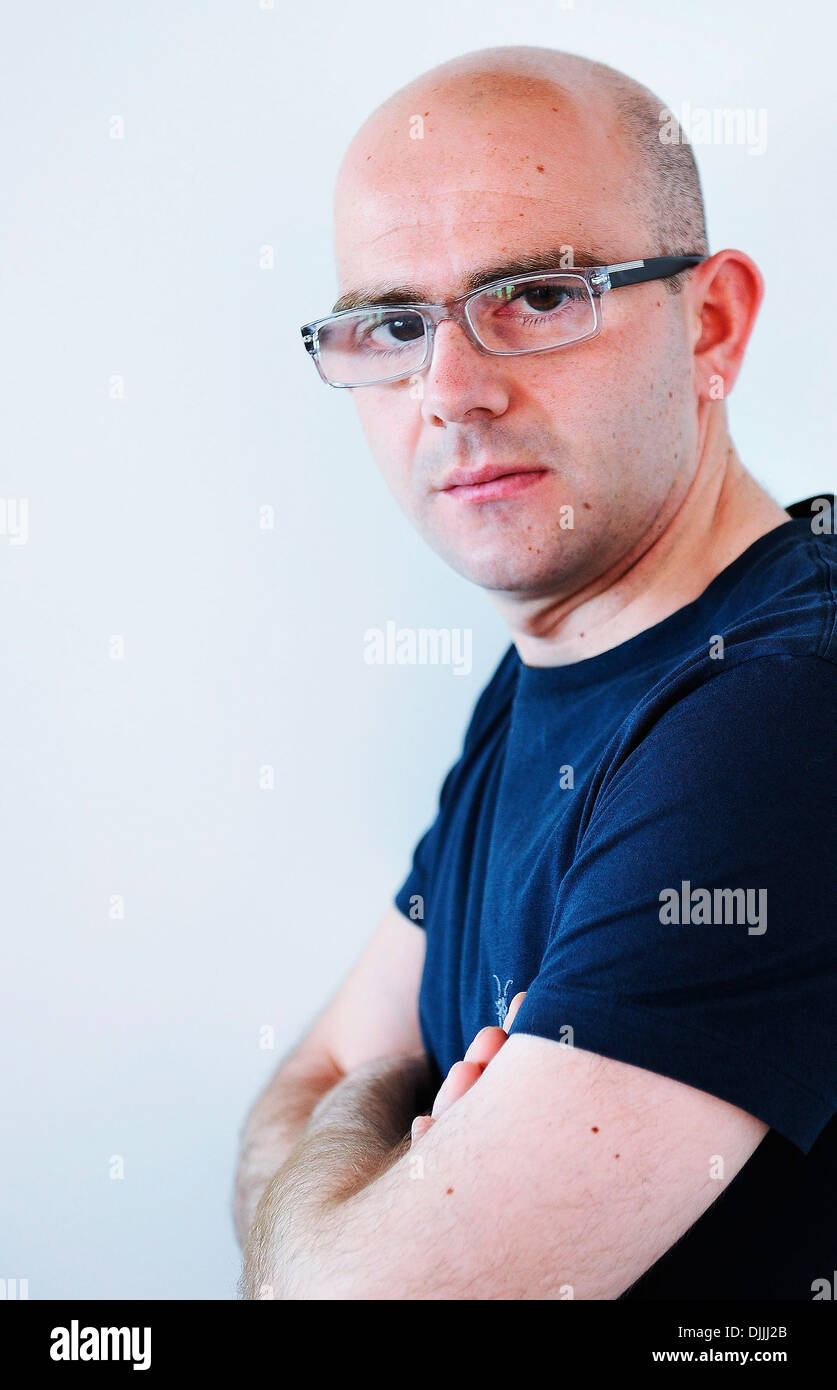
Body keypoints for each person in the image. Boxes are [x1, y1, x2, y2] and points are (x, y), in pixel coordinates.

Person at [233, 45, 837, 1300]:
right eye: (392, 326)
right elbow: (302, 1081)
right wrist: (397, 1127)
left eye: (540, 295)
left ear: (710, 322)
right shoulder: (553, 673)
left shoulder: (779, 716)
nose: (450, 390)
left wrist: (376, 1139)